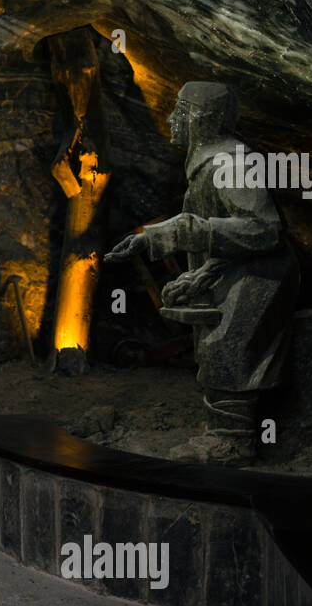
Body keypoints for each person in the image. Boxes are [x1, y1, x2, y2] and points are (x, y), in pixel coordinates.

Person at [105, 82, 298, 464]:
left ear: (202, 118)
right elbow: (216, 227)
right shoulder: (209, 161)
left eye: (180, 111)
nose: (172, 119)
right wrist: (150, 240)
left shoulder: (233, 161)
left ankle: (232, 441)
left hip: (262, 275)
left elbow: (264, 229)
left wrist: (186, 236)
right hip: (236, 266)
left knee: (223, 343)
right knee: (211, 341)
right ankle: (221, 430)